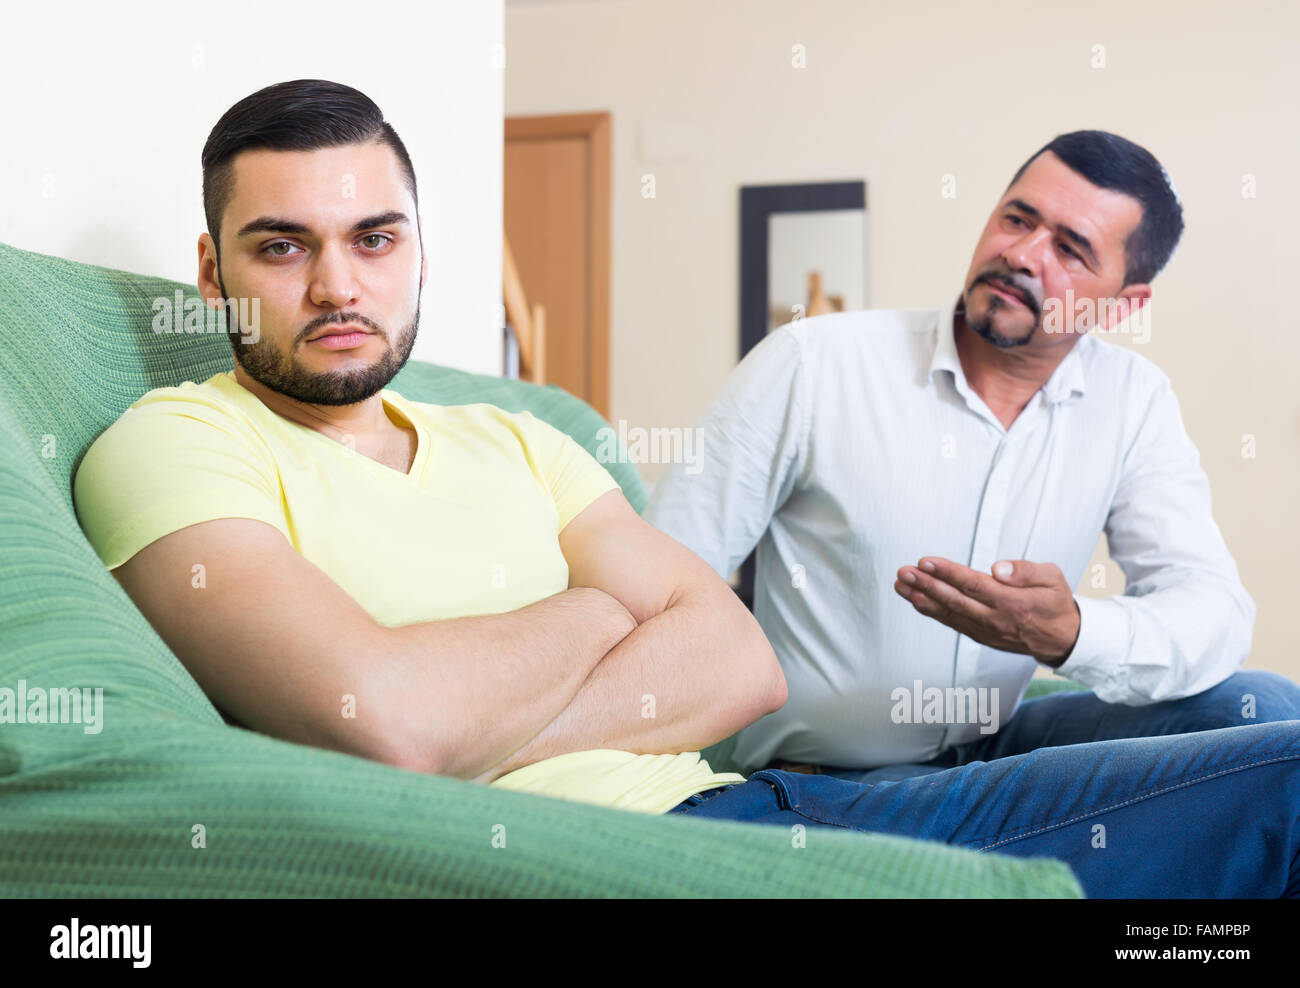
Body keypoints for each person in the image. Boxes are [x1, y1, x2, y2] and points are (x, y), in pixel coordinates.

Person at [73, 83, 1300, 897]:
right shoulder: (177, 443)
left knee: (1256, 705)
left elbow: (731, 655)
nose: (336, 284)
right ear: (210, 269)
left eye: (374, 238)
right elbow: (390, 718)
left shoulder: (513, 437)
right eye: (281, 246)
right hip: (769, 799)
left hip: (787, 777)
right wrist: (610, 611)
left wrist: (1076, 631)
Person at [643, 129, 1300, 896]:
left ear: (1125, 304)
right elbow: (662, 580)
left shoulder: (1133, 401)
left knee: (1267, 708)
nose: (1024, 254)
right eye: (1017, 218)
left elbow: (1216, 610)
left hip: (998, 746)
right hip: (839, 782)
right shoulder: (814, 365)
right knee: (1285, 780)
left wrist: (1075, 633)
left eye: (1071, 249)